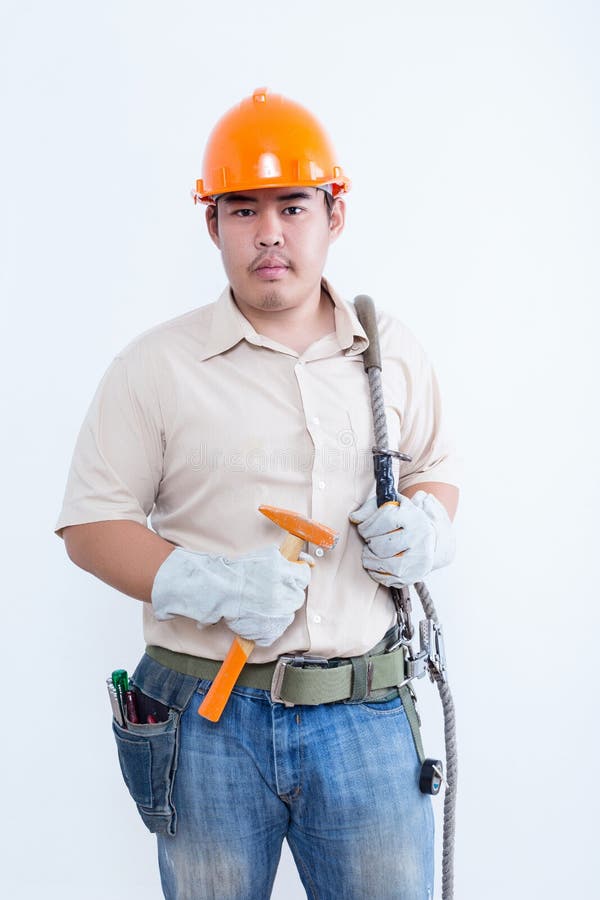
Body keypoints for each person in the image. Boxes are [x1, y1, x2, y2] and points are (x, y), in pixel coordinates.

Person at [55, 87, 460, 900]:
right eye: (242, 210)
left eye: (292, 205)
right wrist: (205, 582)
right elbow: (92, 524)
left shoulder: (392, 352)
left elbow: (433, 470)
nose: (269, 232)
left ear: (332, 214)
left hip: (367, 714)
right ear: (212, 224)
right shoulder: (154, 368)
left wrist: (427, 525)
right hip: (205, 721)